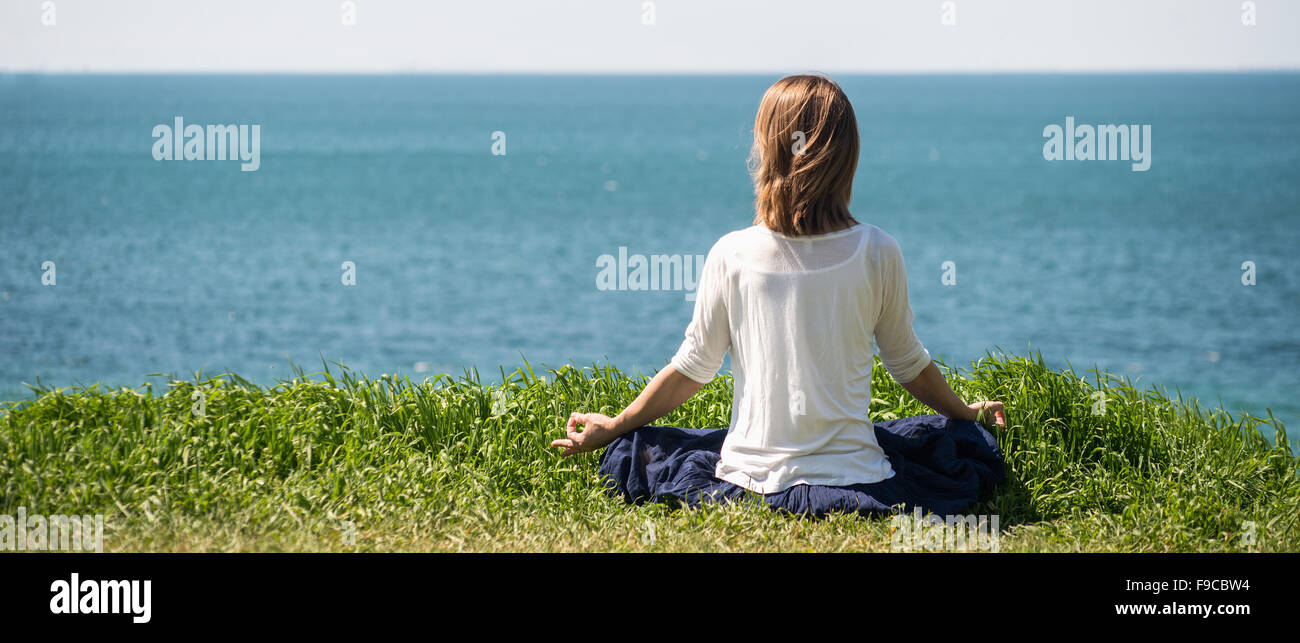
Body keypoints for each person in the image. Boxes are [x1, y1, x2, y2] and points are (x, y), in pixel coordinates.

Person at [551, 74, 1006, 516]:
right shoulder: (877, 250)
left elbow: (692, 368)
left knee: (639, 448)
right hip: (857, 474)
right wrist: (964, 412)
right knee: (953, 441)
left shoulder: (731, 252)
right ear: (845, 156)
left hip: (749, 477)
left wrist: (616, 425)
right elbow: (908, 364)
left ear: (771, 150)